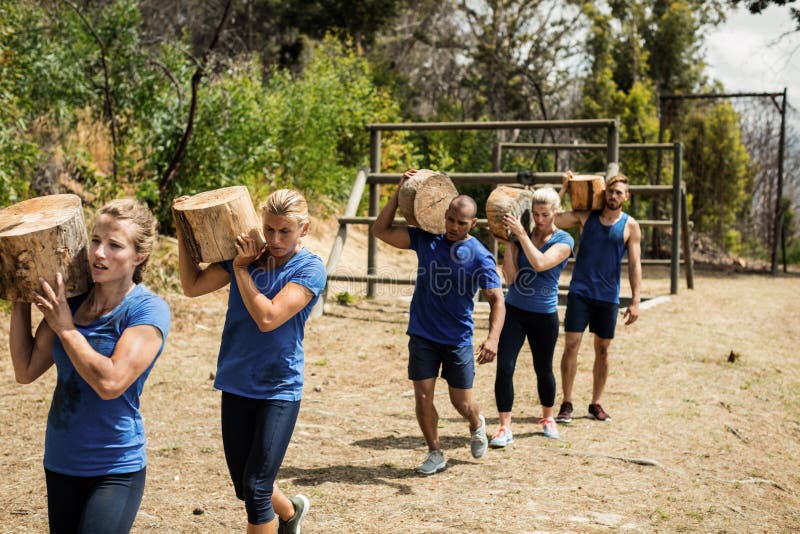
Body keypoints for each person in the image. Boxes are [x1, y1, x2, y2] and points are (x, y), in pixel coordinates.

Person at [9, 198, 171, 533]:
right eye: (95, 240)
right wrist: (19, 294)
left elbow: (110, 383)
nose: (99, 253)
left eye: (114, 245)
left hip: (115, 467)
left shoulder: (147, 311)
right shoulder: (71, 303)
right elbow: (25, 370)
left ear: (139, 256)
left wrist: (65, 328)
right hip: (61, 460)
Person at [174, 188, 325, 534]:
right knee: (246, 486)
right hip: (237, 379)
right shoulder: (247, 251)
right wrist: (183, 230)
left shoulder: (310, 268)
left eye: (284, 231)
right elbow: (192, 285)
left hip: (278, 388)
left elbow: (269, 318)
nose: (274, 239)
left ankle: (284, 517)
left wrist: (241, 271)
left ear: (305, 229)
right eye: (269, 229)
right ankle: (289, 514)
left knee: (257, 487)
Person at [372, 169, 505, 475]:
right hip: (422, 333)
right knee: (422, 395)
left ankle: (476, 423)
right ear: (445, 215)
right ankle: (435, 451)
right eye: (451, 220)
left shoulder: (480, 257)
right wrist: (399, 193)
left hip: (457, 339)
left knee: (462, 404)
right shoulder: (426, 239)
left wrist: (493, 338)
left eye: (462, 223)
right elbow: (380, 230)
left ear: (473, 224)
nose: (455, 227)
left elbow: (497, 300)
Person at [554, 172, 642, 423]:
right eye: (610, 191)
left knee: (602, 350)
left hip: (607, 297)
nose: (613, 196)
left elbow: (635, 265)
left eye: (619, 192)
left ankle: (596, 403)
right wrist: (563, 189)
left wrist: (635, 301)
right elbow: (553, 219)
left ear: (626, 196)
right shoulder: (586, 216)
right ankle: (567, 403)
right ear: (605, 193)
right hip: (580, 292)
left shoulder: (630, 226)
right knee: (571, 345)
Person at [490, 187, 574, 447]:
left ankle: (547, 418)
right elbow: (512, 278)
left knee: (543, 368)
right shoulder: (521, 236)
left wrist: (521, 235)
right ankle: (505, 426)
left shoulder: (564, 241)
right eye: (535, 214)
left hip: (544, 315)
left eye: (545, 214)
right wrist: (508, 245)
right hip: (515, 311)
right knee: (505, 366)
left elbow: (539, 263)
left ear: (555, 212)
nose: (539, 220)